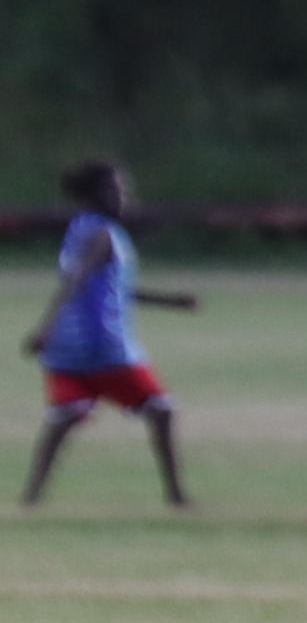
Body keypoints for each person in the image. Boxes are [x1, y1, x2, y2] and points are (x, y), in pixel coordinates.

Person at [23, 160, 199, 506]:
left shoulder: (81, 228)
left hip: (67, 348)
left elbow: (111, 288)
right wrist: (44, 327)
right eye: (115, 189)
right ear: (92, 195)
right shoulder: (103, 233)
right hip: (102, 346)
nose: (123, 196)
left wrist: (169, 301)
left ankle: (32, 498)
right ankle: (177, 497)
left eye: (123, 189)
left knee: (66, 416)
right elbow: (75, 280)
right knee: (161, 410)